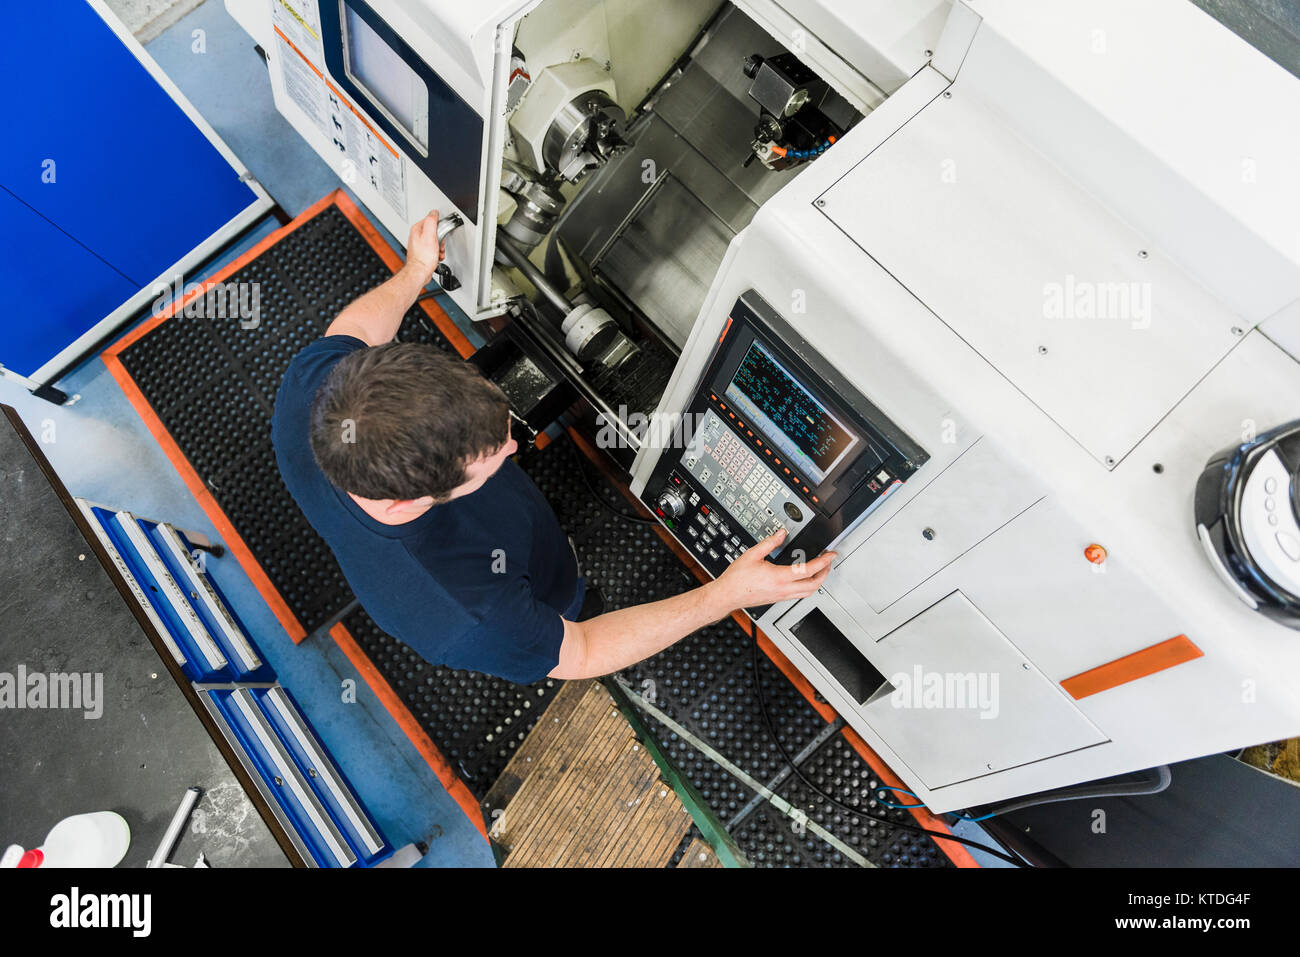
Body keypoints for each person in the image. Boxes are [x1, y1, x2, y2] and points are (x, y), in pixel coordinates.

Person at [271, 209, 835, 685]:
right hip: (540, 594)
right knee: (570, 607)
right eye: (490, 460)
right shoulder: (464, 613)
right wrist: (725, 594)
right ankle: (569, 587)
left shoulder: (319, 389)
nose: (516, 448)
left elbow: (353, 332)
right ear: (406, 503)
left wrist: (416, 269)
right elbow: (584, 651)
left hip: (506, 534)